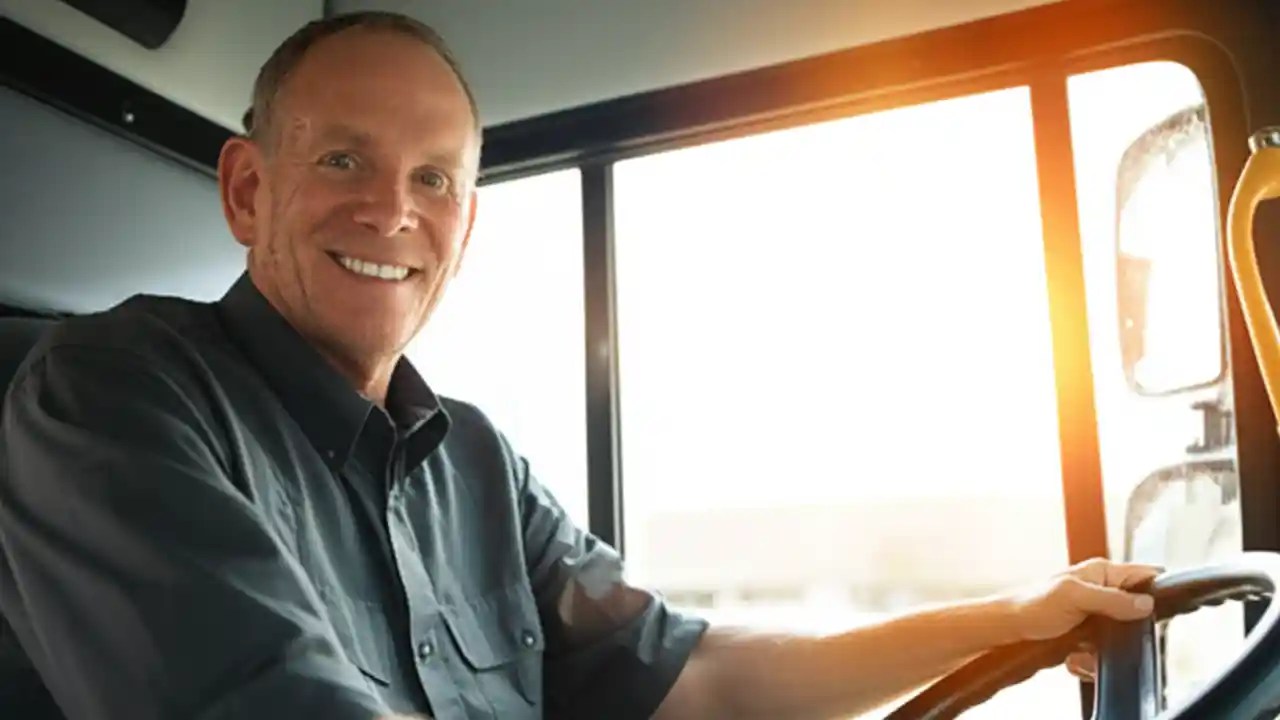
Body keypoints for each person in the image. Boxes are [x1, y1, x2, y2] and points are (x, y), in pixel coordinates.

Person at [0, 10, 1158, 720]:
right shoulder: (111, 393)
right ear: (248, 191)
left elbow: (698, 683)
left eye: (435, 179)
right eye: (344, 159)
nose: (392, 213)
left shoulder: (476, 465)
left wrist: (1002, 621)